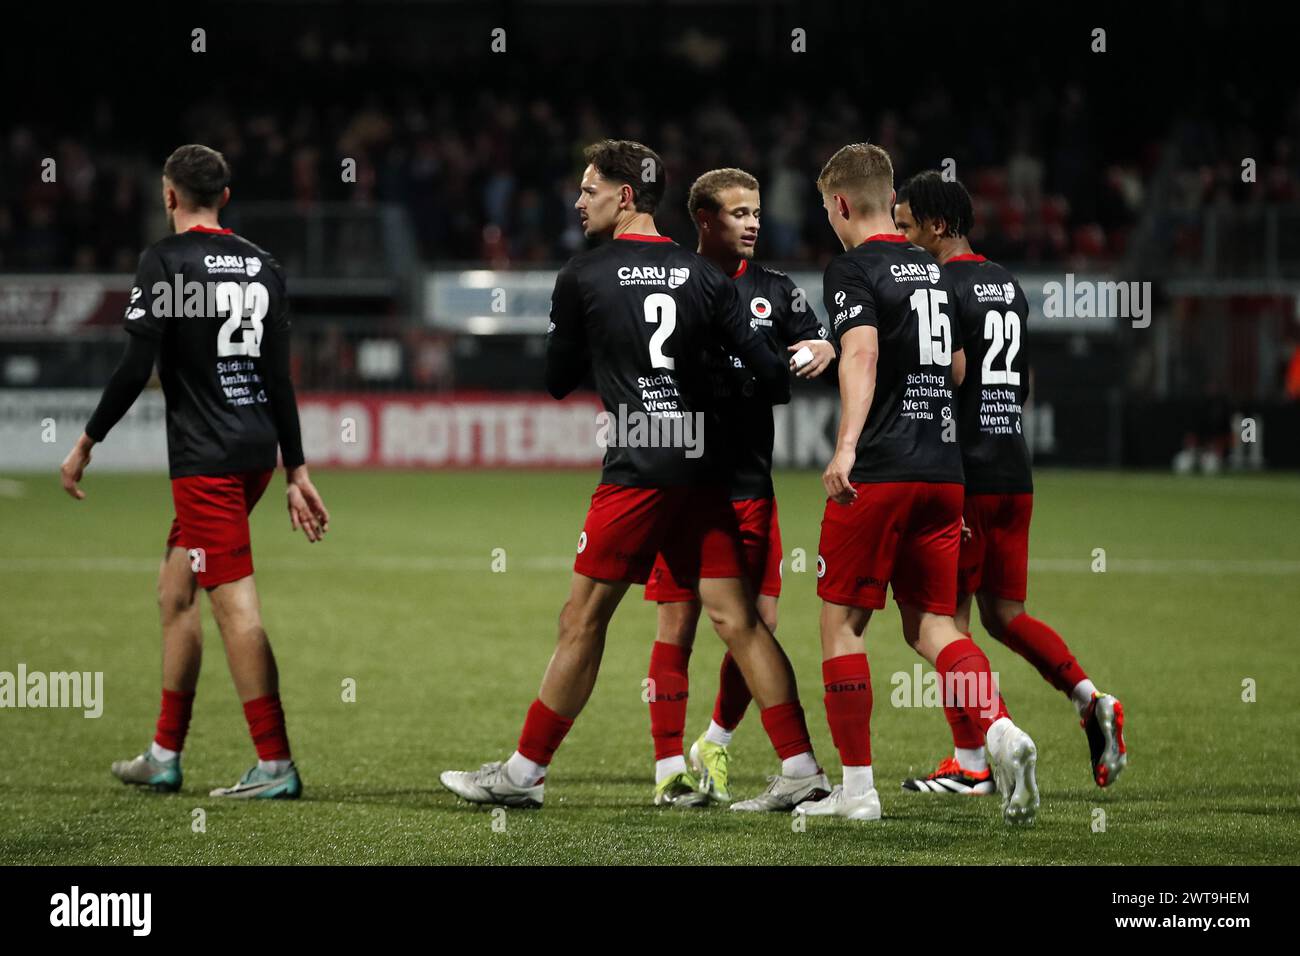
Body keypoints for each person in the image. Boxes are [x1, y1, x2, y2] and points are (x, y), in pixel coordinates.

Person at [60, 144, 329, 800]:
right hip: (255, 452)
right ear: (226, 199)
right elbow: (277, 378)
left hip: (206, 460)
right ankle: (164, 754)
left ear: (169, 196)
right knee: (175, 592)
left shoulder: (165, 260)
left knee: (235, 608)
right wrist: (294, 467)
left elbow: (133, 368)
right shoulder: (264, 266)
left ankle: (275, 765)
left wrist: (87, 441)